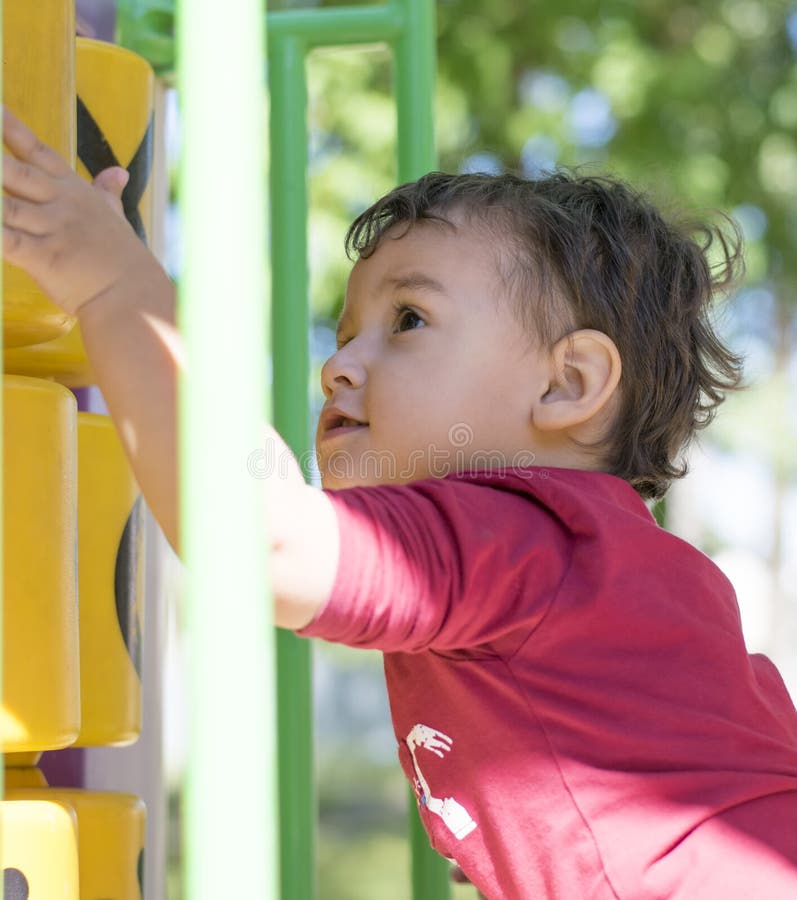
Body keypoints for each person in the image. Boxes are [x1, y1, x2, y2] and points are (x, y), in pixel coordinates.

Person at [3, 106, 797, 899]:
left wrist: (118, 289)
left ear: (567, 384)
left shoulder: (522, 529)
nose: (339, 366)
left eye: (407, 320)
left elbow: (264, 534)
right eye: (345, 334)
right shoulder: (607, 570)